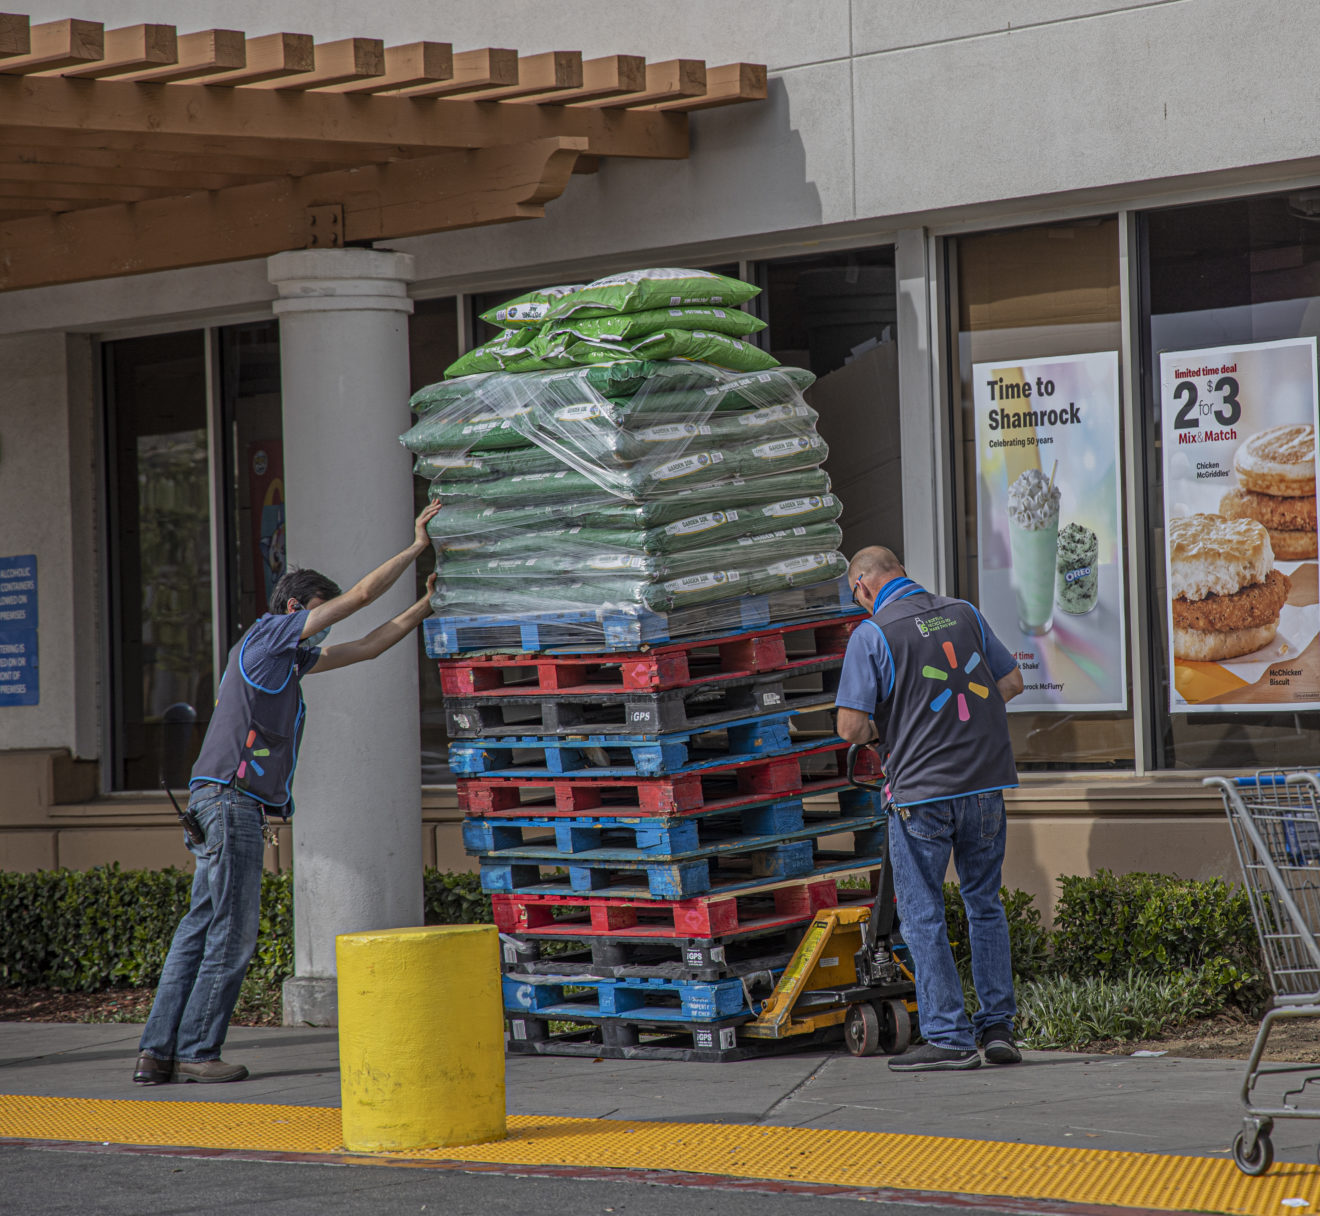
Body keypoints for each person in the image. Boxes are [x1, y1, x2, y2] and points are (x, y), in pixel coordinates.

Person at [132, 499, 444, 1085]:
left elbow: (368, 645)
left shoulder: (281, 659)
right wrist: (415, 547)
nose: (329, 622)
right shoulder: (269, 633)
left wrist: (428, 603)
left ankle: (155, 1054)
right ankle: (198, 1051)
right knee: (230, 931)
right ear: (297, 608)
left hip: (217, 802)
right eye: (321, 612)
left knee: (201, 927)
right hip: (231, 803)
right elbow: (360, 600)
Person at [835, 546, 1024, 1072]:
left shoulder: (872, 635)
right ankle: (998, 1029)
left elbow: (850, 728)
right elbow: (1010, 682)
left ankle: (949, 1036)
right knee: (985, 905)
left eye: (857, 597)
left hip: (922, 794)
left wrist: (895, 728)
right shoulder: (964, 612)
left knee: (923, 914)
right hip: (985, 785)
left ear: (865, 586)